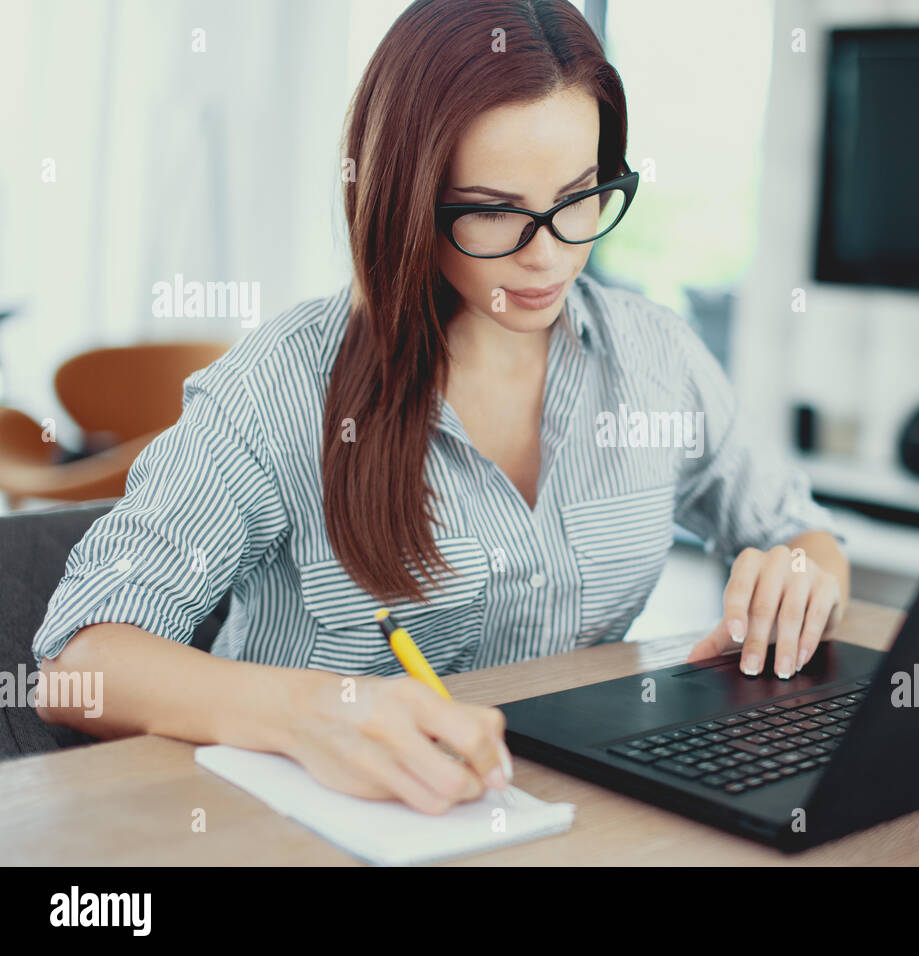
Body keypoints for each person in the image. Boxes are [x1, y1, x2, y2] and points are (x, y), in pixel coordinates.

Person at [33, 0, 848, 815]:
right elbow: (80, 666)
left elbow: (797, 532)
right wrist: (316, 714)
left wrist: (802, 572)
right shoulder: (281, 386)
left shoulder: (656, 358)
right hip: (317, 830)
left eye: (581, 196)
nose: (549, 254)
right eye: (494, 210)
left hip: (565, 819)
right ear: (407, 198)